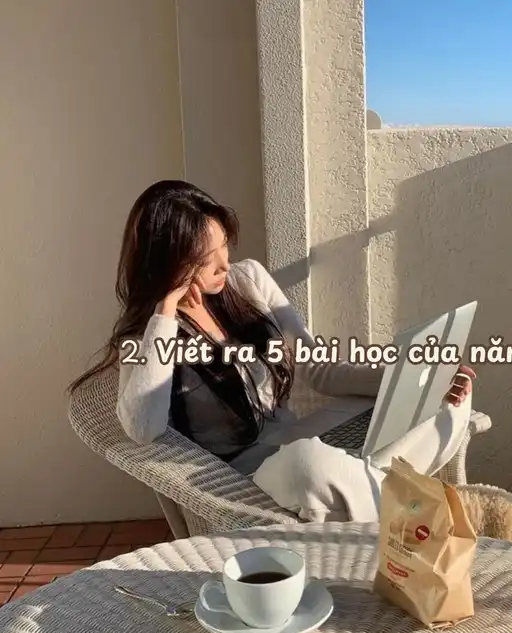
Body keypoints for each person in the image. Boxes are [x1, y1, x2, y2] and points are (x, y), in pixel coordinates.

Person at [69, 179, 476, 523]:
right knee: (307, 467)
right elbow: (143, 428)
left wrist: (413, 380)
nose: (224, 264)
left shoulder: (248, 280)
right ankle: (410, 509)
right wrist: (165, 313)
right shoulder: (148, 336)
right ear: (169, 262)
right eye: (205, 259)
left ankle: (373, 493)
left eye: (224, 246)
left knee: (442, 402)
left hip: (308, 435)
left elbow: (319, 370)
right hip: (259, 471)